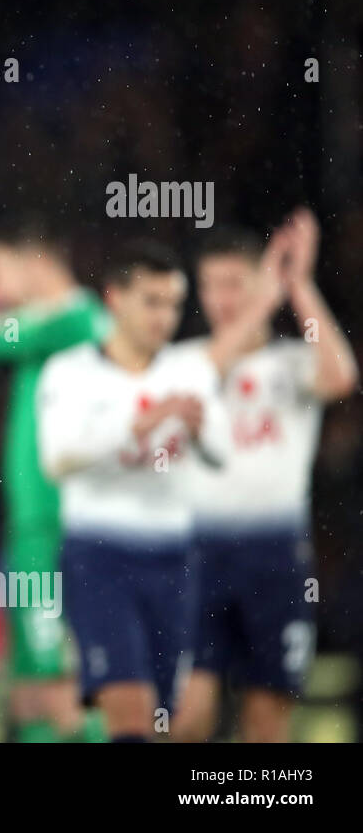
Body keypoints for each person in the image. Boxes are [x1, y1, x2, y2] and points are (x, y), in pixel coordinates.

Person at [36, 240, 231, 742]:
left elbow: (221, 452)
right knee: (129, 710)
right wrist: (139, 422)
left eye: (173, 303)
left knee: (171, 720)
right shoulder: (70, 371)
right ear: (114, 298)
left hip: (174, 557)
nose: (165, 317)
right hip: (99, 558)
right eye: (151, 301)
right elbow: (57, 459)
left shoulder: (191, 370)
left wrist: (197, 426)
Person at [174, 210, 358, 742]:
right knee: (186, 716)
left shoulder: (292, 363)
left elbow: (341, 376)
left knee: (268, 715)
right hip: (197, 552)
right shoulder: (186, 362)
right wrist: (263, 301)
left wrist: (299, 285)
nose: (221, 298)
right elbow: (198, 375)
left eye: (235, 282)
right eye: (210, 284)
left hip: (275, 556)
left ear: (262, 280)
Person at [0, 214, 109, 742]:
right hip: (36, 522)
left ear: (33, 261)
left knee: (61, 680)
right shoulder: (50, 334)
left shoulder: (77, 318)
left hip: (58, 522)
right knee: (32, 681)